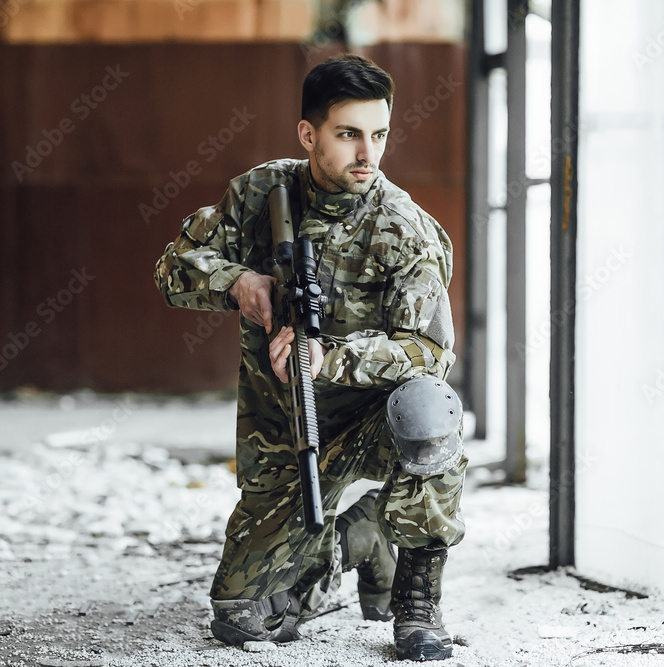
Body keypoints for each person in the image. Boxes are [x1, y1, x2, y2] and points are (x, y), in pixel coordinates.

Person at [153, 54, 466, 662]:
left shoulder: (401, 226)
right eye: (349, 134)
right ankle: (362, 540)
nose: (367, 155)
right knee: (241, 619)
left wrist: (330, 356)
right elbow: (170, 270)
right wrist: (239, 282)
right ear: (309, 135)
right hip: (282, 431)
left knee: (431, 411)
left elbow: (429, 348)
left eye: (379, 135)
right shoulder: (258, 194)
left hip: (372, 425)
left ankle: (418, 604)